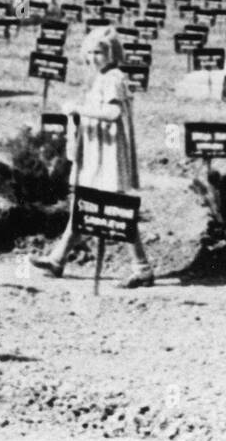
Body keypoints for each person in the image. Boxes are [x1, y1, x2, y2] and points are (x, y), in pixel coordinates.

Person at [31, 28, 153, 286]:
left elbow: (112, 113)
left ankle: (142, 268)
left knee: (115, 207)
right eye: (91, 52)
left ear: (112, 53)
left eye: (100, 52)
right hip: (97, 148)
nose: (95, 57)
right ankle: (58, 259)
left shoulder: (114, 78)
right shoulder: (99, 78)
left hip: (108, 151)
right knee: (86, 203)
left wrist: (79, 109)